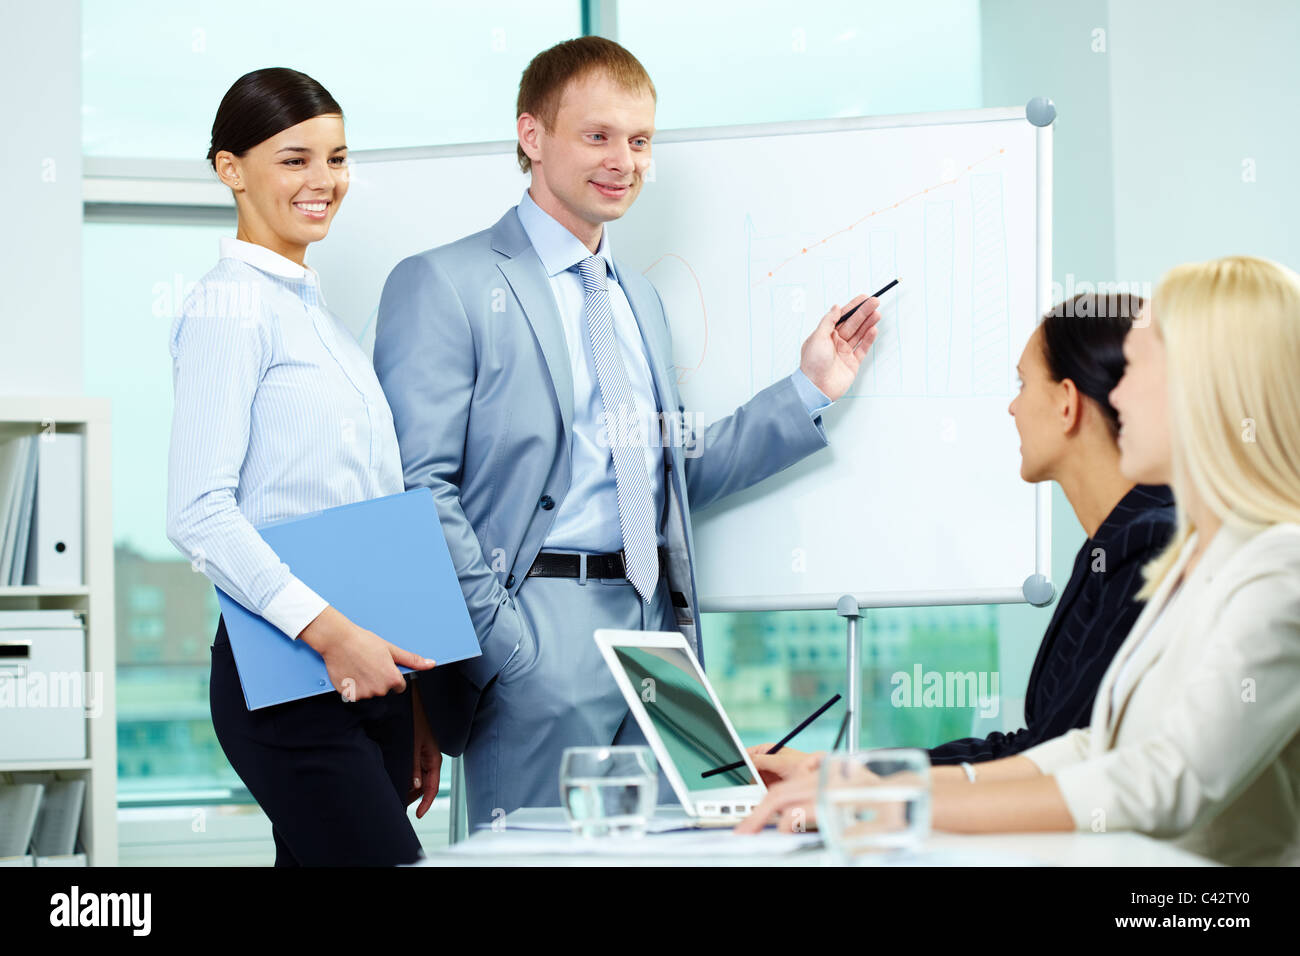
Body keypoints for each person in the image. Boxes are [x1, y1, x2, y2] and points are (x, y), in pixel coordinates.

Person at [373, 36, 883, 827]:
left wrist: (809, 387)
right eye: (599, 135)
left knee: (679, 851)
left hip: (659, 640)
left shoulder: (636, 299)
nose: (625, 161)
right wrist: (505, 648)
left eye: (641, 141)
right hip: (534, 638)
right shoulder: (447, 283)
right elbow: (417, 490)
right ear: (532, 136)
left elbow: (668, 478)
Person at [737, 256, 1300, 867]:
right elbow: (1087, 750)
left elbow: (1163, 780)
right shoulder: (1195, 557)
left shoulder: (1281, 568)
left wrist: (893, 801)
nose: (1119, 392)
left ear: (1206, 385)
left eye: (1138, 368)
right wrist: (870, 783)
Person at [166, 67, 439, 866]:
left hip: (370, 675)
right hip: (289, 675)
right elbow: (198, 513)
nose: (325, 181)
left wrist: (411, 695)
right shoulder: (229, 309)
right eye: (295, 159)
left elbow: (372, 508)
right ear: (231, 169)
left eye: (338, 158)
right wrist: (332, 635)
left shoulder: (322, 322)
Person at [750, 292, 1175, 786]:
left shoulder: (1149, 549)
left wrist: (844, 783)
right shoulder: (1114, 543)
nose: (1013, 407)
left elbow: (1058, 765)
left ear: (1066, 404)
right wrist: (834, 771)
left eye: (1023, 384)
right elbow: (1034, 750)